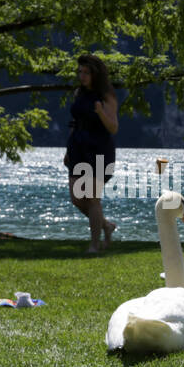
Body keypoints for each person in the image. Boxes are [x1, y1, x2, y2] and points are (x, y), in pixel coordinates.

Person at [62, 54, 119, 253]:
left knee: (93, 198)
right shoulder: (79, 93)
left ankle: (94, 245)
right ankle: (106, 225)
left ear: (95, 74)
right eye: (80, 72)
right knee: (77, 198)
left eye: (86, 72)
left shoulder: (106, 95)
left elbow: (113, 127)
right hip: (77, 147)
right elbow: (74, 122)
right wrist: (68, 150)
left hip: (99, 148)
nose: (82, 76)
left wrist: (101, 112)